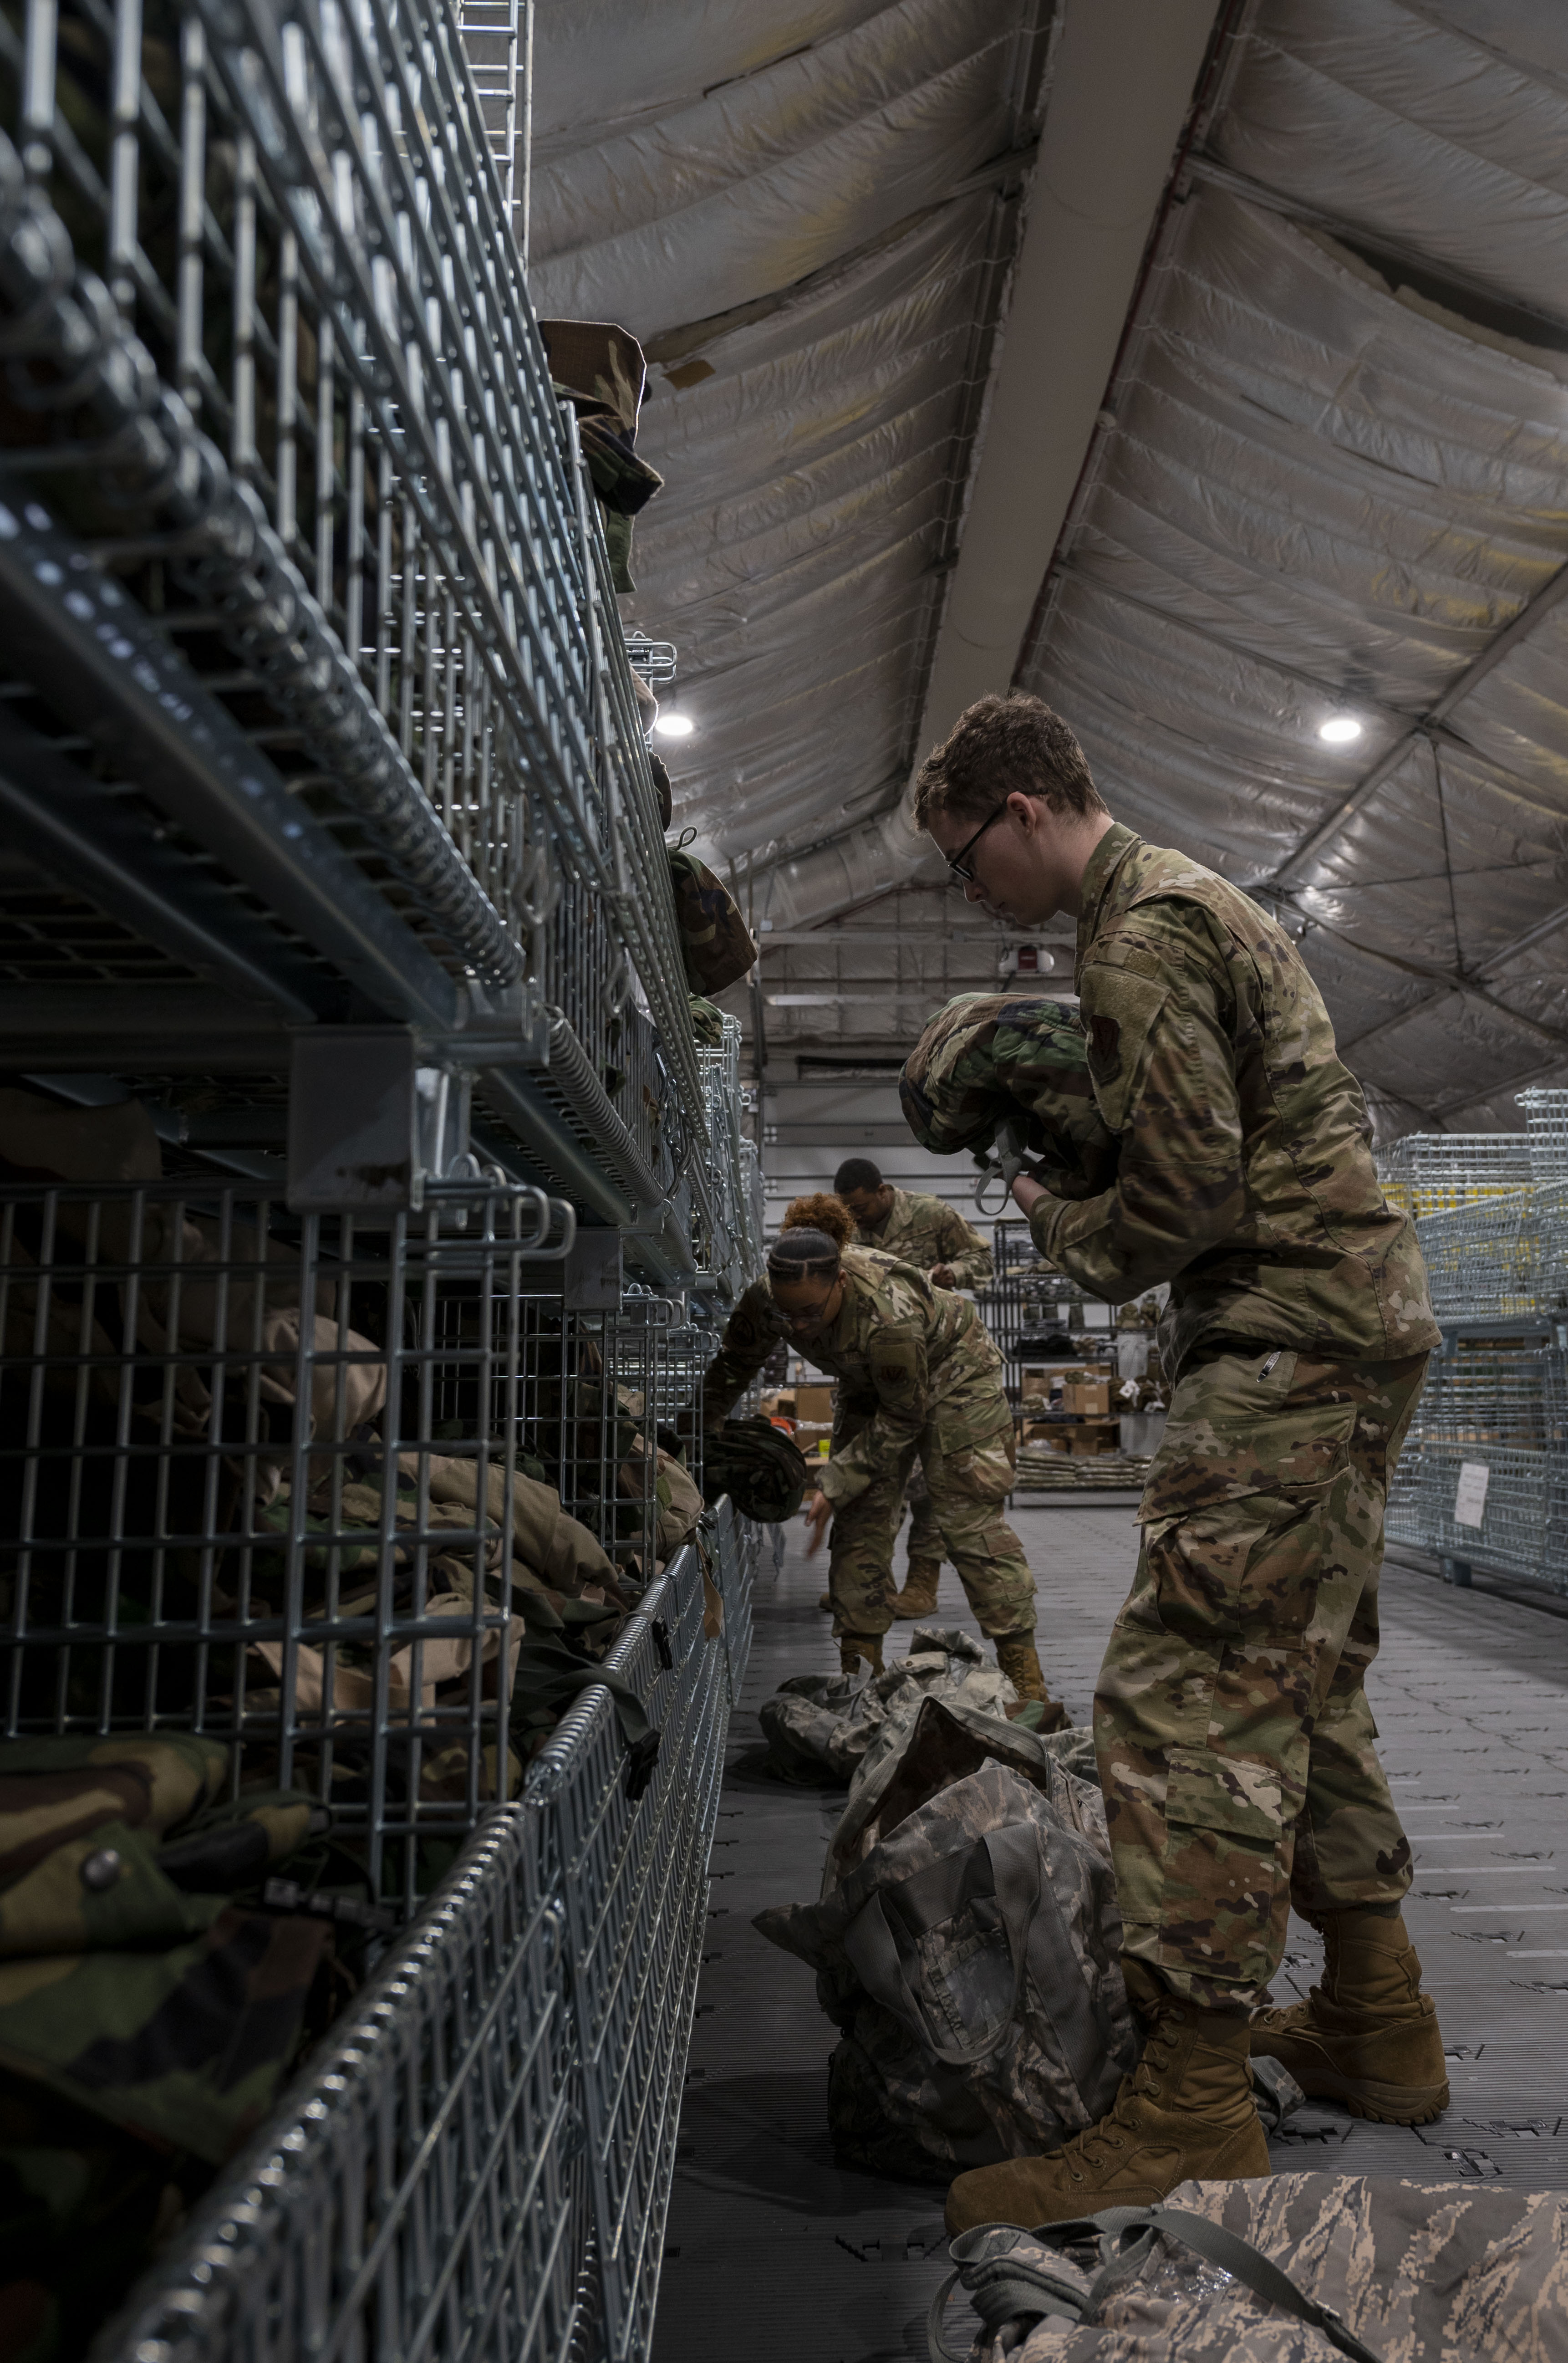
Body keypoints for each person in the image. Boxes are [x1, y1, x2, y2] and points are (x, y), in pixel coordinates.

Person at [910, 690, 1443, 2231]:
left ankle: (1191, 2103)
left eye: (963, 859)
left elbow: (1187, 1197)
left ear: (1019, 808)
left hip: (1283, 1329)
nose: (971, 892)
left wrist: (1055, 1223)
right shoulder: (1196, 898)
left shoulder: (1133, 931)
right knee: (1305, 1676)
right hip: (1345, 1319)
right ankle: (1376, 2017)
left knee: (1185, 1687)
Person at [700, 1193, 1065, 1720]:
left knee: (966, 1517)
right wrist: (697, 1430)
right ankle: (860, 1672)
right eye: (788, 1312)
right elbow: (735, 1363)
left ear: (841, 1284)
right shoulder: (769, 1300)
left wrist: (835, 1478)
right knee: (860, 1524)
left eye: (811, 1313)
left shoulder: (887, 1312)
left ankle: (1026, 1676)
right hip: (871, 1383)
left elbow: (905, 1419)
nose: (799, 1326)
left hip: (956, 1374)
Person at [833, 1159, 997, 1619]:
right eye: (848, 1211)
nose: (856, 1218)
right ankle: (868, 1583)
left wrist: (954, 1274)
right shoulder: (846, 1229)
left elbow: (983, 1261)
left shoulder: (932, 1214)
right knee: (870, 1477)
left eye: (861, 1207)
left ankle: (922, 1581)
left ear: (883, 1191)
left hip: (935, 1365)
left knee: (931, 1481)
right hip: (872, 1370)